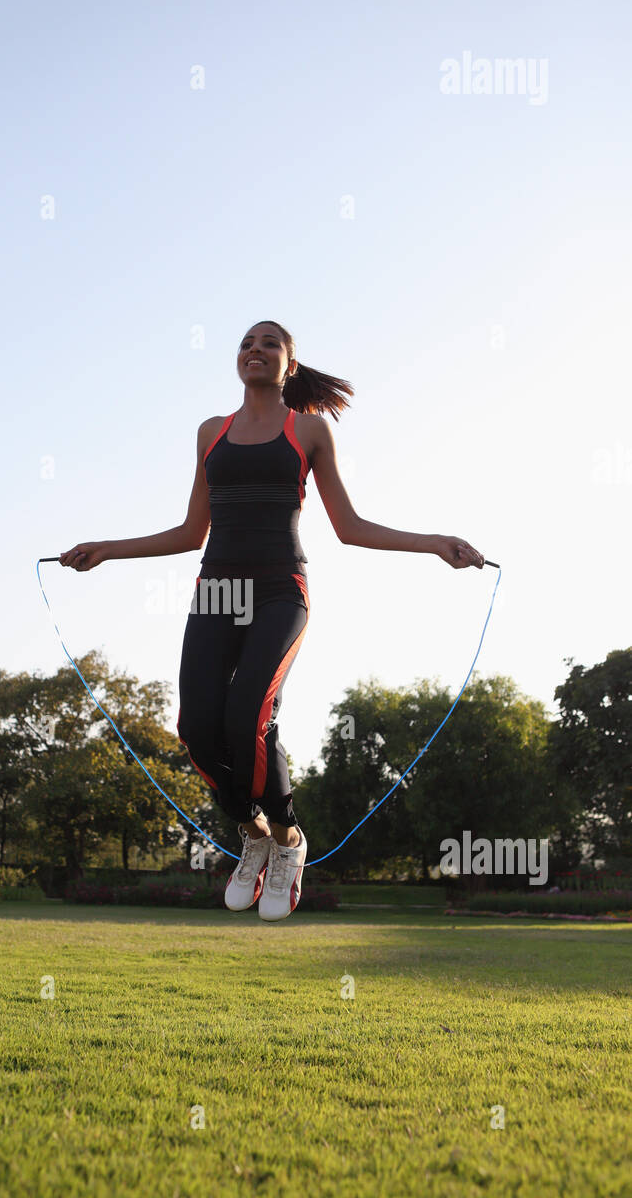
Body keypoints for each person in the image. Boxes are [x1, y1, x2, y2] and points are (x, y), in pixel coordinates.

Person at [58, 320, 485, 922]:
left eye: (268, 344)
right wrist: (108, 548)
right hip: (218, 588)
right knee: (198, 727)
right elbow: (189, 532)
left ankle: (288, 842)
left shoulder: (308, 430)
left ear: (289, 364)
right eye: (245, 344)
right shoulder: (212, 432)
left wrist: (435, 541)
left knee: (249, 714)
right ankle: (253, 830)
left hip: (281, 590)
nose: (254, 351)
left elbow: (350, 528)